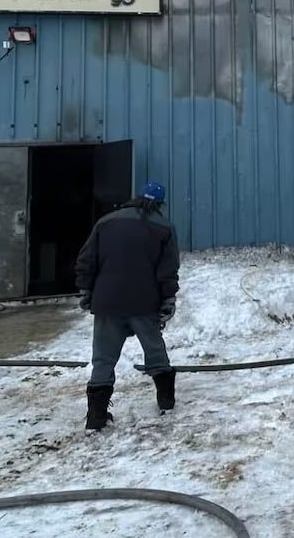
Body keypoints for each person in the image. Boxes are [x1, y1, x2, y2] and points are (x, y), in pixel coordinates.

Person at [75, 181, 180, 431]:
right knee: (155, 351)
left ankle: (96, 416)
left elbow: (87, 260)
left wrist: (86, 290)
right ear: (159, 204)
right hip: (144, 301)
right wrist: (168, 300)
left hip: (107, 300)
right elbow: (168, 270)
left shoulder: (106, 222)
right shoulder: (164, 227)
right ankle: (166, 400)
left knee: (103, 359)